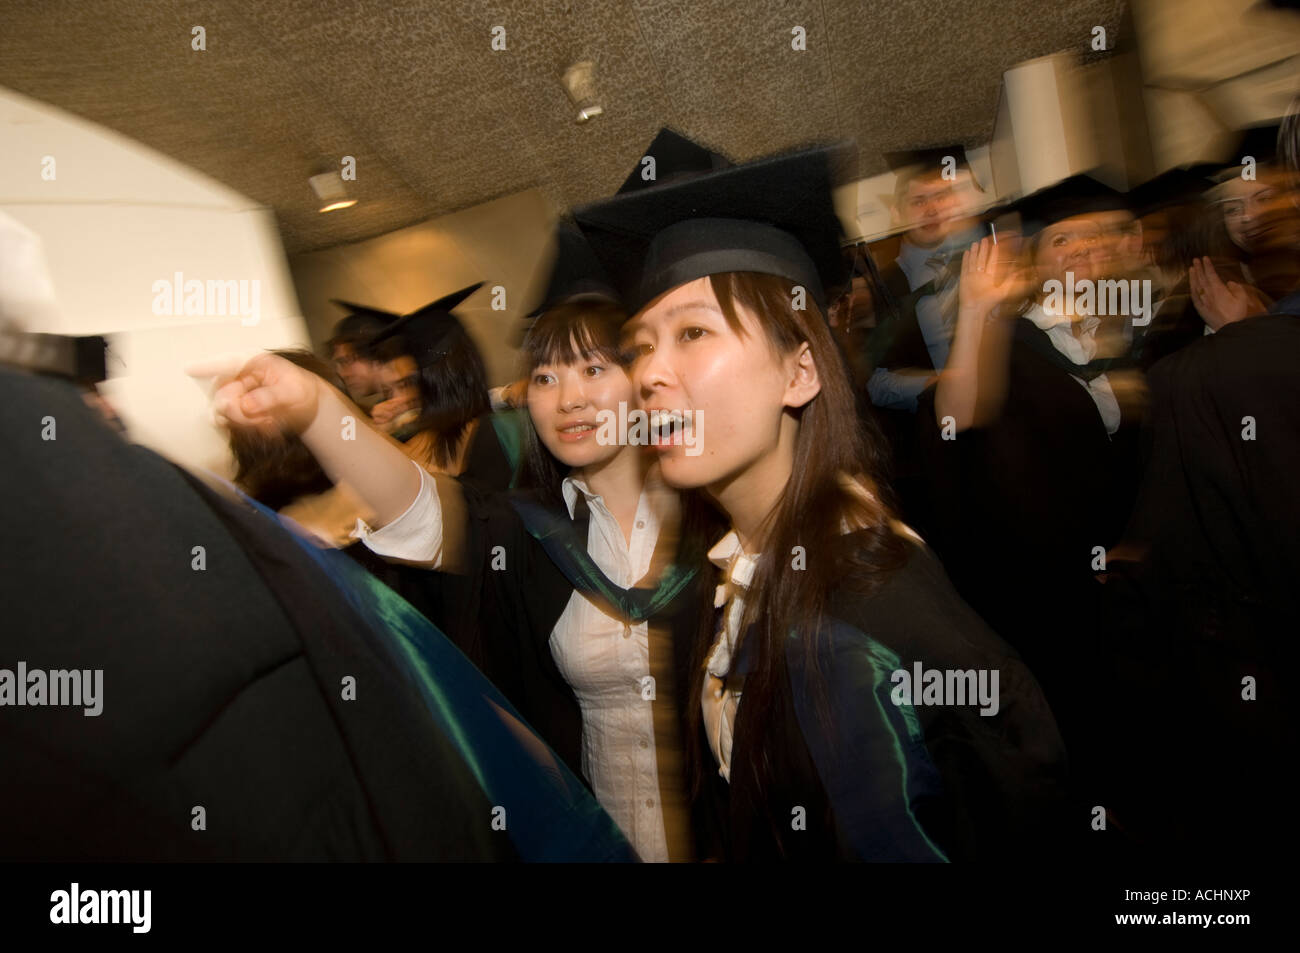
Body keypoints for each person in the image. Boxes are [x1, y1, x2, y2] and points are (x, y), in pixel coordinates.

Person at [574, 142, 1070, 862]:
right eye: (639, 345)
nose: (649, 372)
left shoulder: (866, 619)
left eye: (691, 332)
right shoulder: (745, 573)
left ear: (800, 371)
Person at [202, 228, 715, 864]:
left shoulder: (720, 526)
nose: (569, 397)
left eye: (593, 368)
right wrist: (314, 406)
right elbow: (417, 505)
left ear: (642, 378)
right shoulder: (527, 533)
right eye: (546, 376)